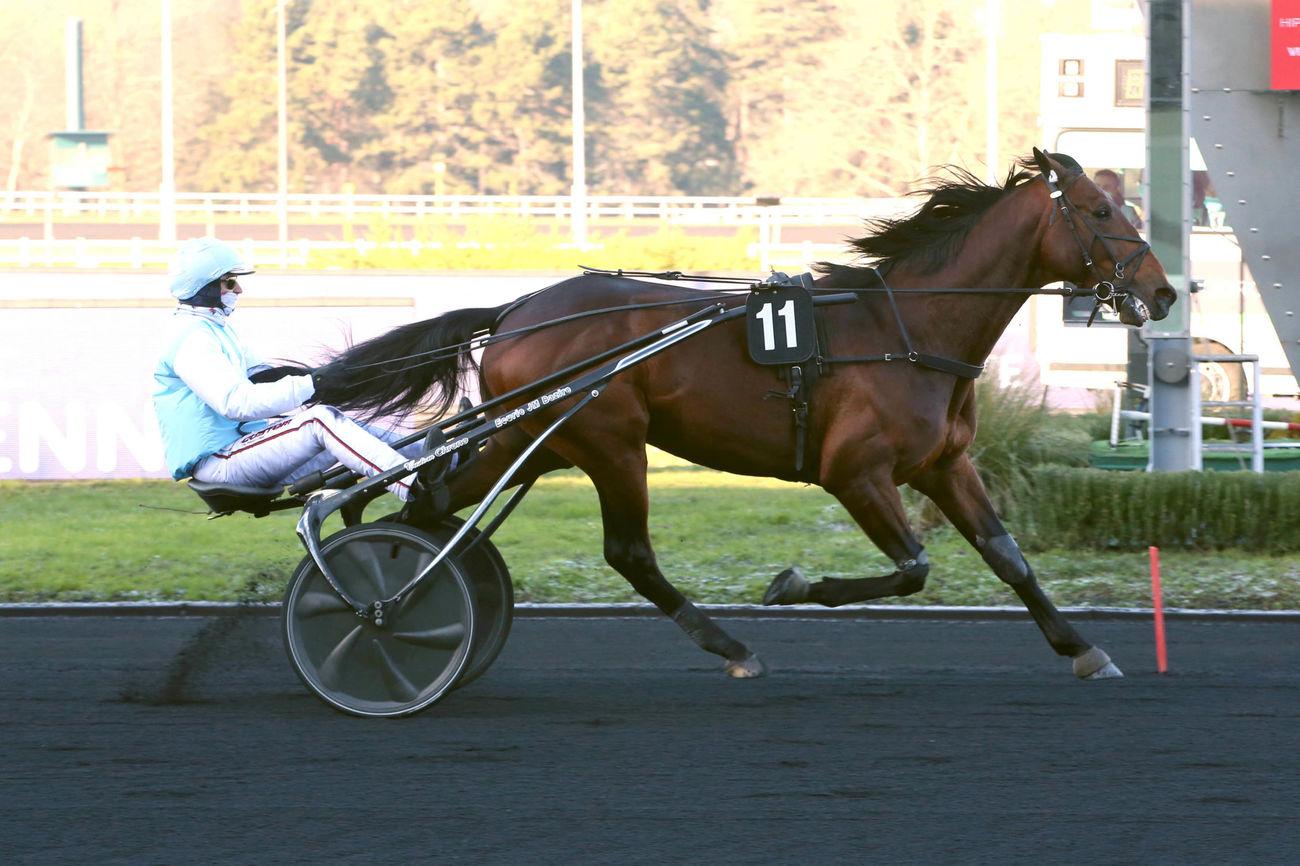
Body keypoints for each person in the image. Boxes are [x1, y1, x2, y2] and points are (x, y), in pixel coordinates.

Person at [151, 237, 422, 500]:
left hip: (240, 451)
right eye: (230, 282)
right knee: (320, 420)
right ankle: (414, 487)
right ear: (205, 286)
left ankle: (441, 458)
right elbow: (236, 404)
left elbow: (263, 377)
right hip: (220, 463)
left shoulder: (216, 329)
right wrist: (314, 383)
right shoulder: (191, 338)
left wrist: (332, 374)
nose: (239, 290)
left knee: (342, 423)